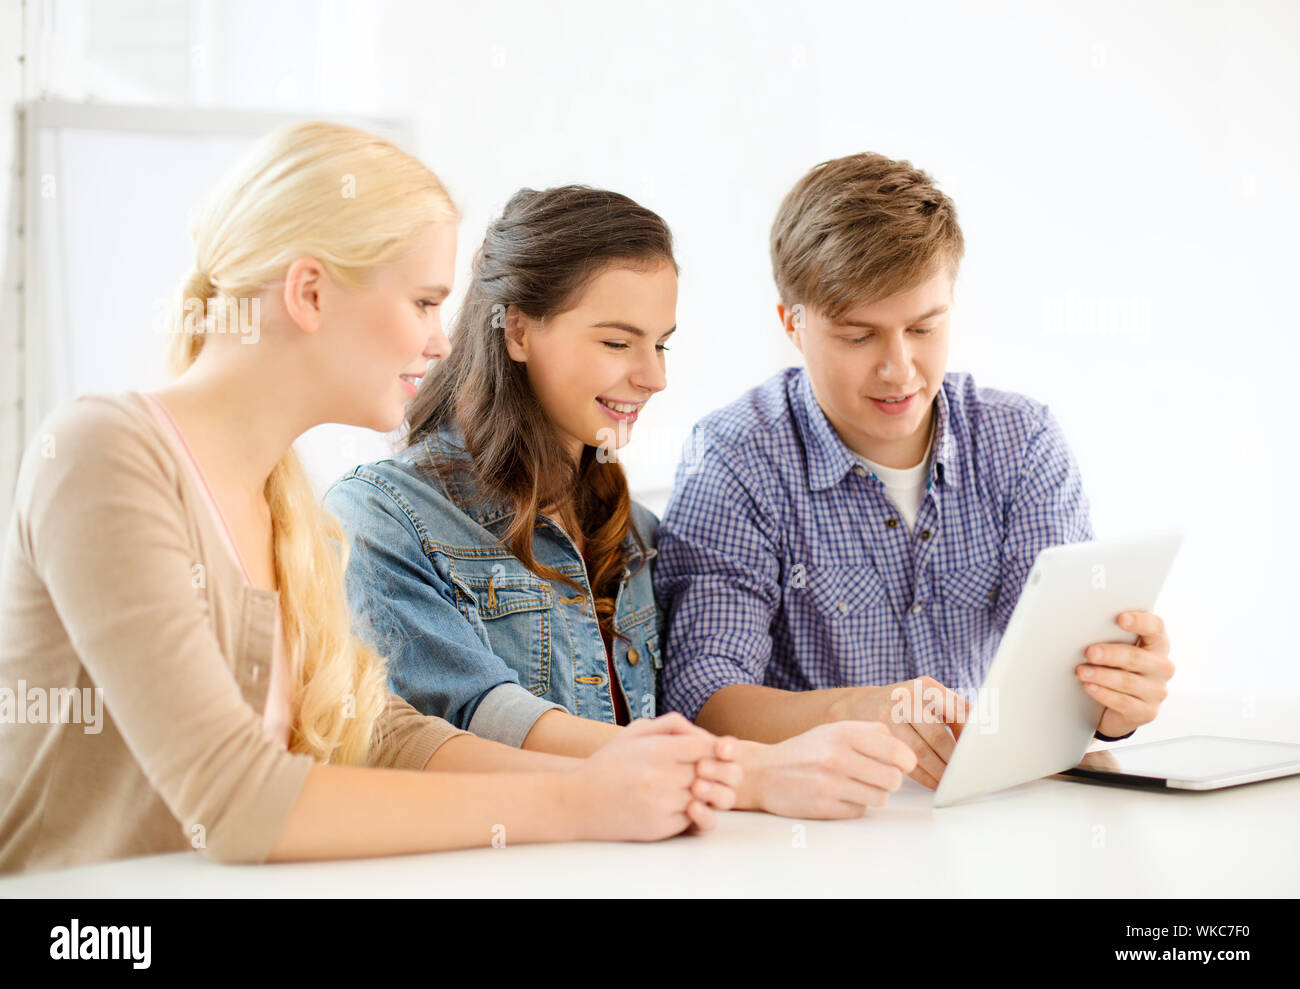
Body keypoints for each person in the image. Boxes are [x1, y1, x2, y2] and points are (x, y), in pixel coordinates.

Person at [0, 122, 742, 875]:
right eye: (423, 302)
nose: (443, 343)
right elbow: (238, 799)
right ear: (310, 293)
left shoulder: (288, 503)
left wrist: (609, 779)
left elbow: (380, 733)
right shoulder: (106, 452)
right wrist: (577, 803)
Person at [325, 185, 917, 820]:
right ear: (518, 330)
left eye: (660, 344)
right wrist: (742, 774)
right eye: (617, 343)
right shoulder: (381, 517)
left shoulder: (637, 535)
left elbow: (704, 695)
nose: (654, 376)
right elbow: (476, 718)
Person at [654, 152, 1175, 790]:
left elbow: (1063, 675)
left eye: (924, 327)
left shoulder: (1022, 442)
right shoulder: (734, 458)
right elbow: (701, 698)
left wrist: (1116, 704)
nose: (899, 368)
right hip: (819, 831)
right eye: (857, 336)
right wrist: (855, 712)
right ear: (793, 323)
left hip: (994, 807)